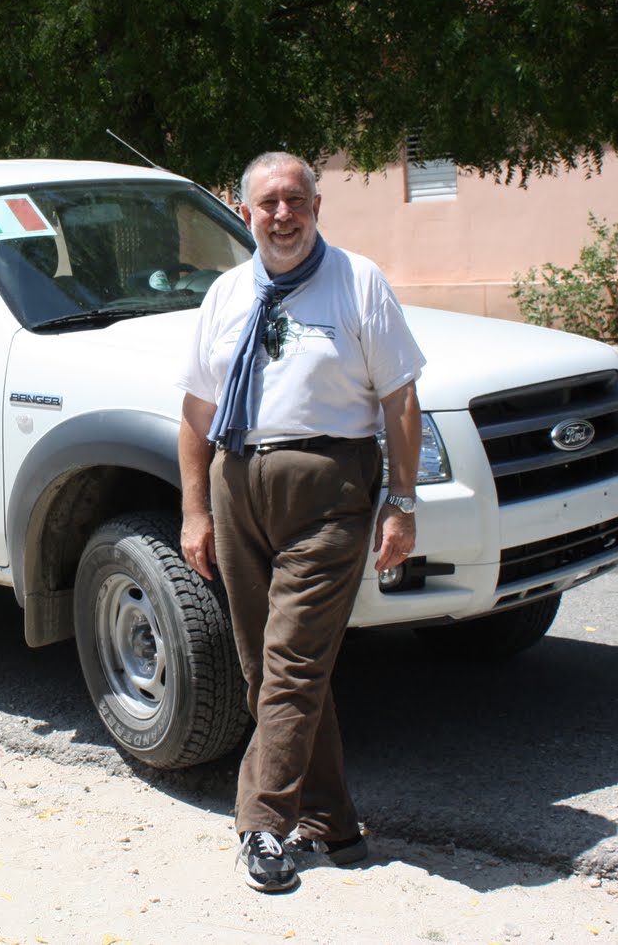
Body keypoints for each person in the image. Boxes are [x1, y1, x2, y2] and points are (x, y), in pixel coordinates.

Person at [177, 152, 425, 893]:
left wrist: (401, 503)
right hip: (237, 485)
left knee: (291, 664)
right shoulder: (225, 293)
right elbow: (194, 408)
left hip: (330, 492)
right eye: (268, 203)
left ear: (320, 205)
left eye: (296, 200)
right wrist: (194, 508)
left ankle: (262, 824)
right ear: (242, 209)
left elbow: (401, 399)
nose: (283, 215)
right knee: (264, 668)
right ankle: (333, 824)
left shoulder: (358, 282)